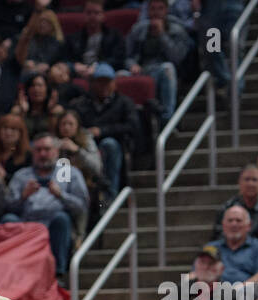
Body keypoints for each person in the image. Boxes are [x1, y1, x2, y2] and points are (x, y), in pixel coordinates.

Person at [4, 131, 89, 279]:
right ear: (33, 153)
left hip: (55, 226)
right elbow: (6, 206)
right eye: (38, 150)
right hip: (27, 226)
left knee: (61, 219)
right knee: (8, 219)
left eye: (47, 149)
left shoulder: (69, 172)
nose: (43, 154)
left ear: (56, 151)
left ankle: (58, 275)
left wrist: (61, 195)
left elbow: (82, 206)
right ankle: (12, 275)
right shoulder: (21, 175)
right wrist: (23, 196)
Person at [66, 63, 136, 199]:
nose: (103, 86)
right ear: (92, 84)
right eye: (99, 82)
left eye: (107, 82)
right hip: (84, 144)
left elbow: (132, 126)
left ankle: (110, 196)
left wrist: (102, 131)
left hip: (115, 145)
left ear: (114, 84)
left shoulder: (124, 103)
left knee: (109, 144)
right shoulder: (81, 104)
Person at [124, 0, 188, 121]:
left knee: (168, 68)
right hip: (141, 70)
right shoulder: (138, 29)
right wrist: (132, 65)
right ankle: (132, 122)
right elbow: (128, 56)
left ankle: (167, 120)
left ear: (166, 10)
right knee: (120, 75)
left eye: (160, 8)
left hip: (163, 70)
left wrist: (162, 35)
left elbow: (177, 58)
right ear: (148, 11)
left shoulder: (177, 30)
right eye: (153, 9)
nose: (156, 13)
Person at [212, 165, 258, 241]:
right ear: (239, 182)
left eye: (254, 180)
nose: (250, 184)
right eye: (247, 179)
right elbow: (218, 236)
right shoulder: (228, 208)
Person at [65, 0, 128, 79]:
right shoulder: (73, 38)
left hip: (103, 70)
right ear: (83, 15)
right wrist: (75, 65)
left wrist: (97, 66)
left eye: (96, 13)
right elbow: (65, 57)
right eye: (89, 13)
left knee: (105, 70)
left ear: (103, 15)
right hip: (79, 70)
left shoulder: (114, 36)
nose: (92, 16)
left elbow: (118, 59)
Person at [216, 204, 258, 284]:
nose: (234, 224)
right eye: (230, 220)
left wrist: (239, 289)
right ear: (223, 225)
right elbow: (198, 273)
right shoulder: (212, 247)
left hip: (248, 293)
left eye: (238, 220)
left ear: (249, 226)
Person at [11, 73, 63, 140]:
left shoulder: (56, 111)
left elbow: (56, 136)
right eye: (33, 85)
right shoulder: (18, 111)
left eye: (40, 85)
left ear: (47, 89)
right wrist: (23, 112)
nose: (36, 89)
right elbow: (15, 135)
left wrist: (50, 111)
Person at [15, 9, 66, 76]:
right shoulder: (28, 38)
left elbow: (48, 62)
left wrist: (38, 66)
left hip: (45, 74)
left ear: (53, 26)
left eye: (47, 22)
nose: (42, 24)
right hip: (24, 69)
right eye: (40, 21)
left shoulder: (57, 43)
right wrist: (25, 62)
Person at [0, 113, 30, 180]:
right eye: (5, 128)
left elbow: (25, 181)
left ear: (20, 133)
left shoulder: (28, 155)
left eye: (13, 129)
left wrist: (6, 176)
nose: (8, 132)